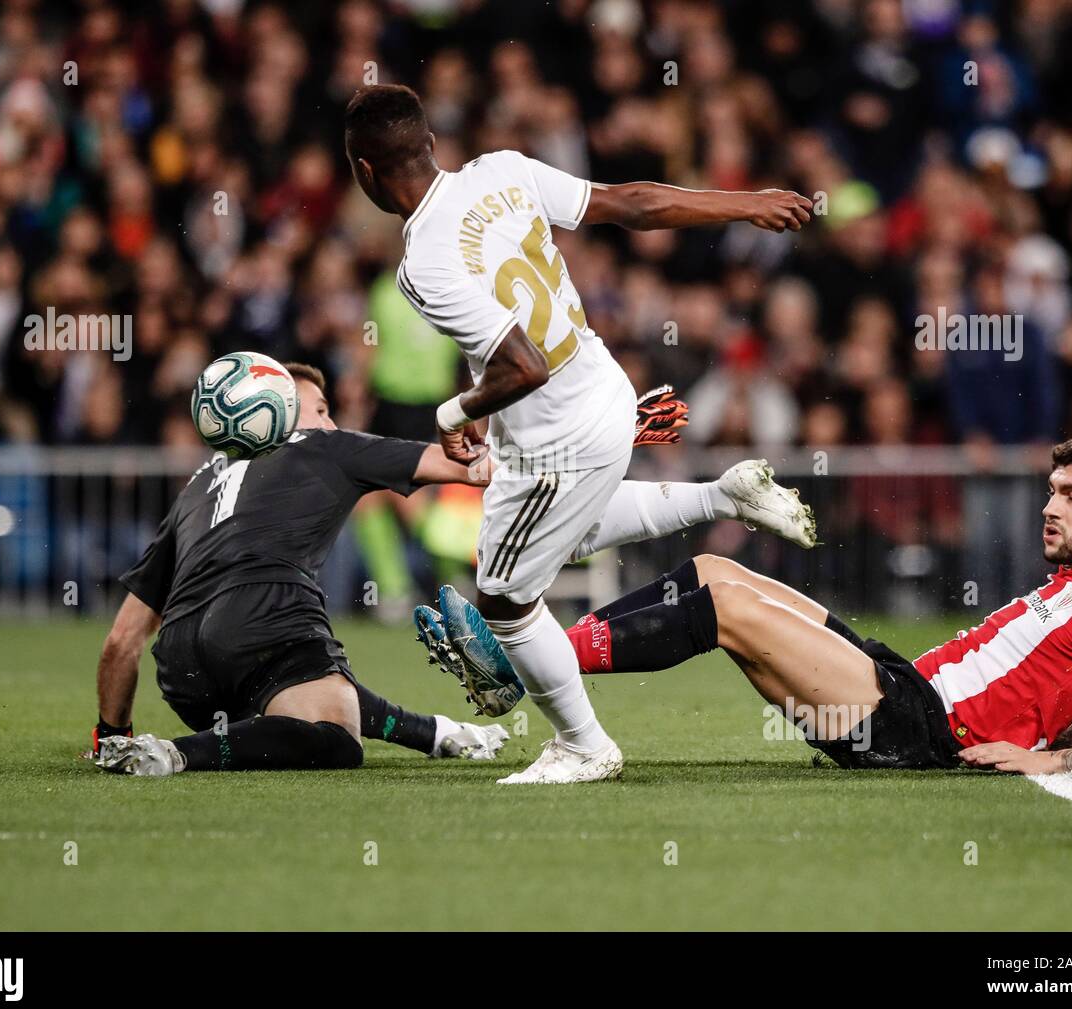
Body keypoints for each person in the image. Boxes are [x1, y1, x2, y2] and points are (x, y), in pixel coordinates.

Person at [345, 83, 814, 783]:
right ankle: (725, 495)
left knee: (503, 598)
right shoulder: (501, 169)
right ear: (432, 144)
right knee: (570, 533)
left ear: (365, 172)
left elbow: (521, 366)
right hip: (604, 386)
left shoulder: (422, 266)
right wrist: (745, 202)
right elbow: (635, 203)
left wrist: (452, 415)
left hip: (555, 436)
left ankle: (582, 743)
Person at [449, 435, 1072, 777]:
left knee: (725, 605)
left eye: (1071, 496)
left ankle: (520, 657)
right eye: (1050, 489)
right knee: (711, 566)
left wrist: (1047, 761)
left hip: (918, 727)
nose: (1049, 507)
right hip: (897, 680)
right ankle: (532, 658)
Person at [93, 361, 509, 776]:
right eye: (321, 409)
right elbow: (473, 467)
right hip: (265, 617)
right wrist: (547, 462)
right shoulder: (326, 445)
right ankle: (177, 754)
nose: (330, 421)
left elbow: (121, 640)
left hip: (183, 669)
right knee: (337, 740)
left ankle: (435, 733)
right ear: (278, 408)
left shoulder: (195, 490)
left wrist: (112, 733)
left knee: (318, 699)